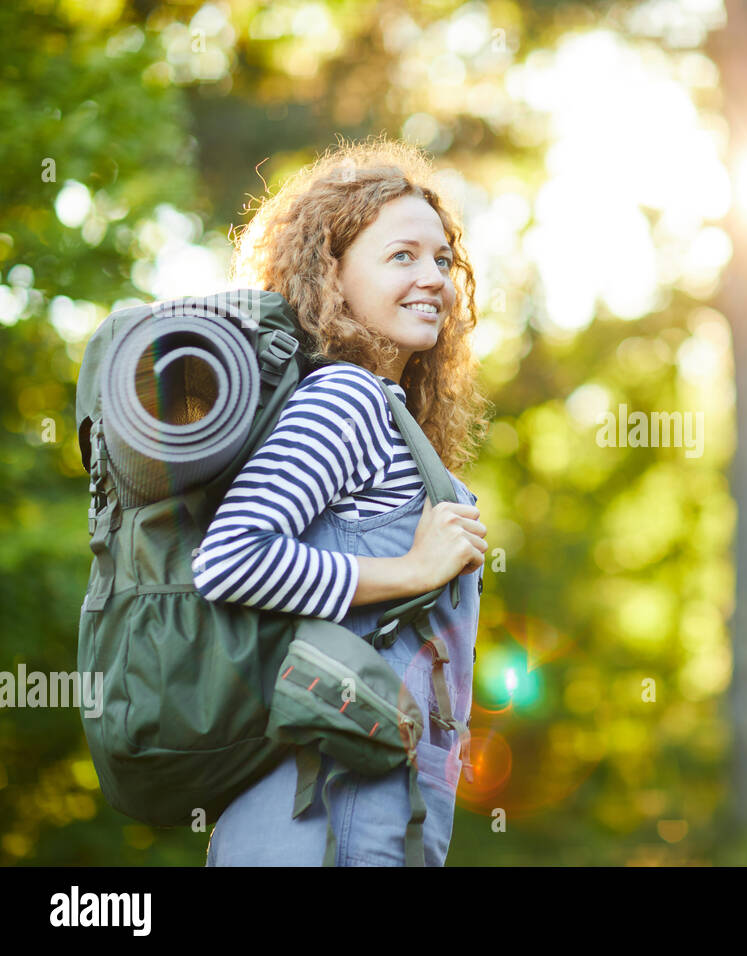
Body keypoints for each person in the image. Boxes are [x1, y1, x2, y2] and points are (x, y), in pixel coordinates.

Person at [194, 135, 492, 866]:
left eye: (442, 260)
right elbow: (229, 560)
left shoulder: (385, 412)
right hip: (324, 825)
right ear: (331, 273)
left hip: (362, 819)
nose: (433, 279)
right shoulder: (346, 396)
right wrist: (414, 570)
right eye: (402, 256)